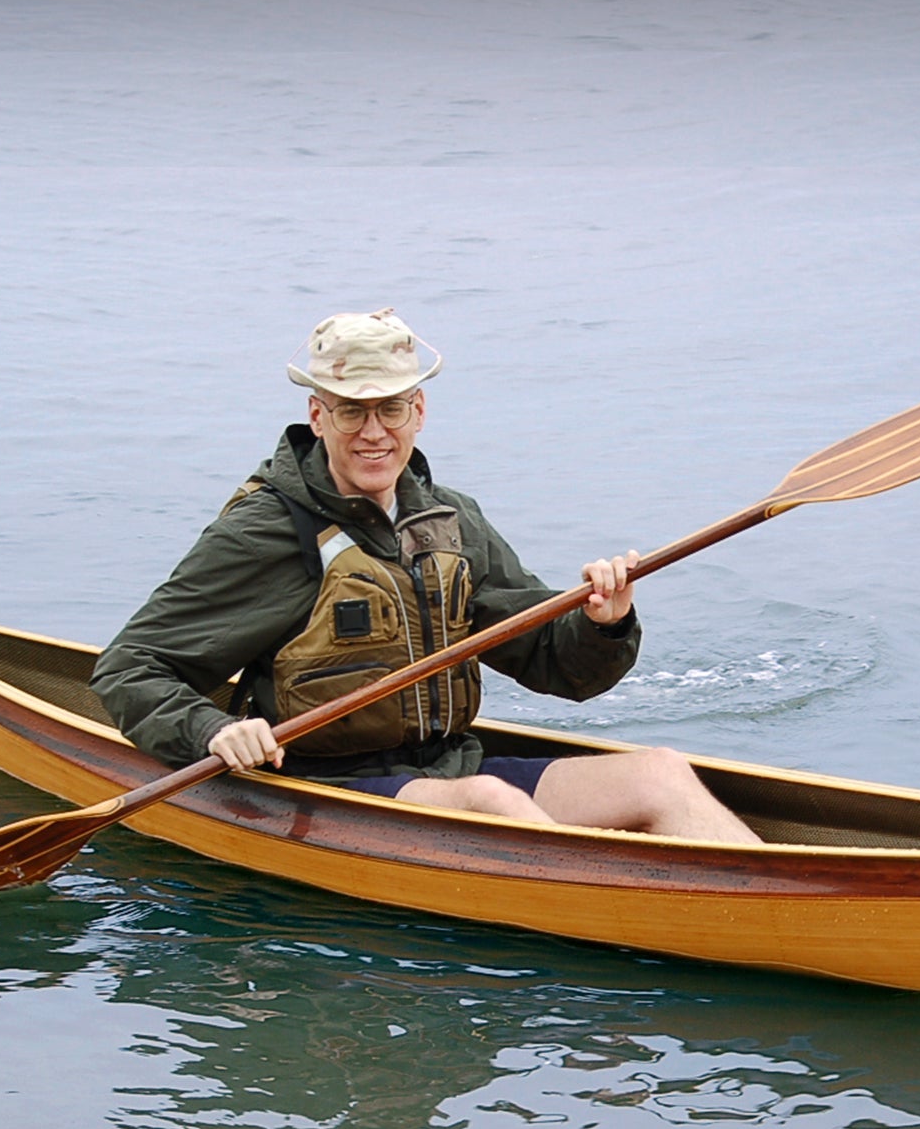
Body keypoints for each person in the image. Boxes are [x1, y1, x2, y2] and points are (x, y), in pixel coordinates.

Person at [92, 309, 760, 842]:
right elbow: (129, 669)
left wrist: (603, 624)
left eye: (392, 407)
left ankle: (766, 909)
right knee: (492, 801)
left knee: (662, 776)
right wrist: (211, 731)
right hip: (326, 787)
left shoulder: (448, 519)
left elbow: (560, 668)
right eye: (351, 410)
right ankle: (664, 919)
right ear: (318, 416)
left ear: (420, 411)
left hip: (447, 769)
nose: (373, 431)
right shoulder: (267, 529)